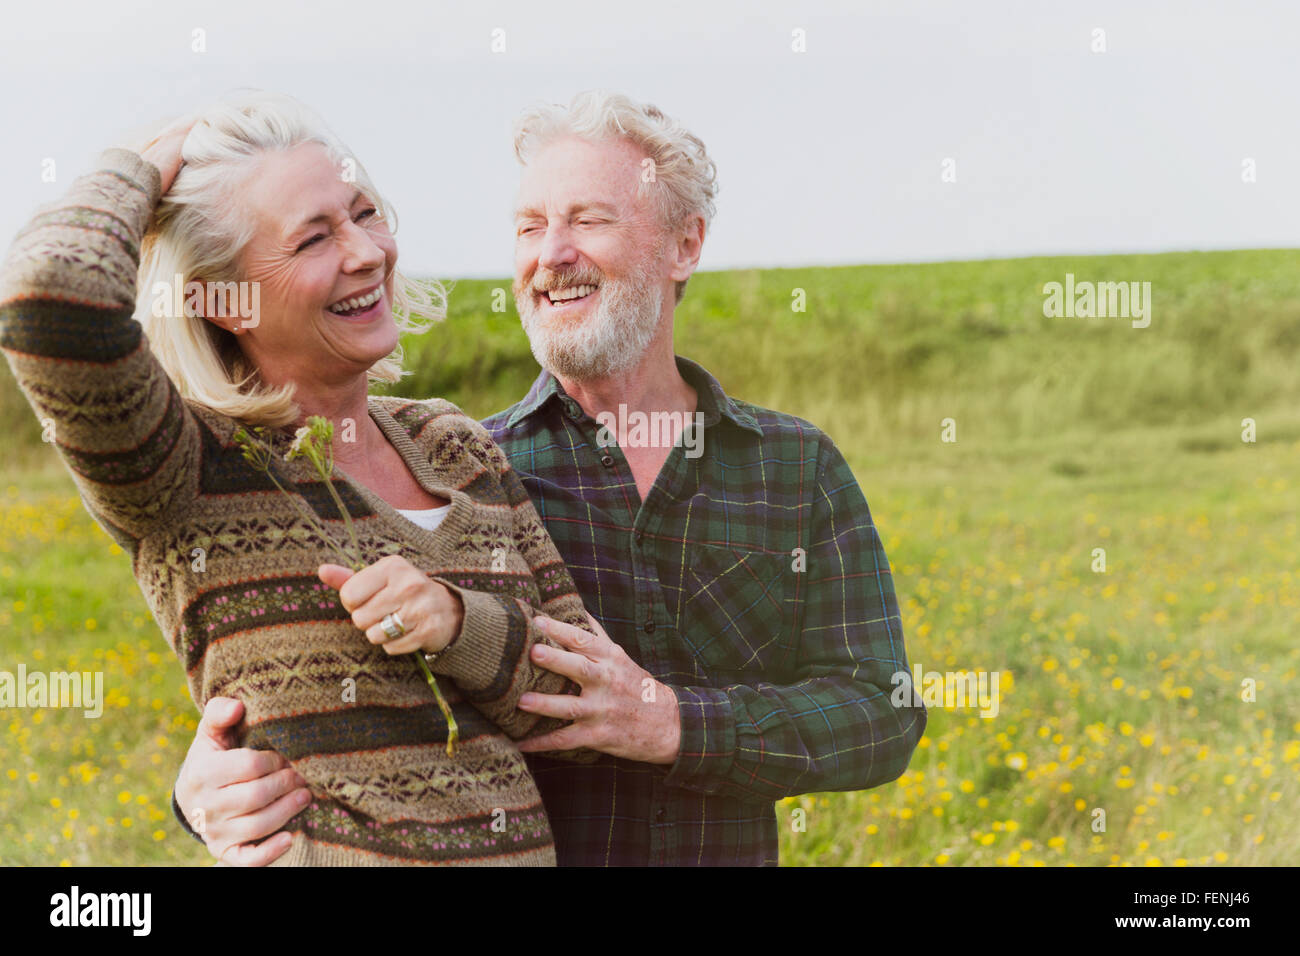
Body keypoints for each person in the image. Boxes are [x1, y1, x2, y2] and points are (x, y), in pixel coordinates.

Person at [174, 91, 928, 866]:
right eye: (530, 227)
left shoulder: (794, 468)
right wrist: (204, 787)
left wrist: (672, 723)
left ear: (685, 245)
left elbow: (881, 716)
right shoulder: (457, 481)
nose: (552, 254)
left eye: (588, 220)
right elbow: (315, 688)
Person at [0, 91, 602, 866]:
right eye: (313, 238)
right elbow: (50, 295)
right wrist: (145, 167)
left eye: (362, 212)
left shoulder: (451, 442)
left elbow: (587, 702)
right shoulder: (181, 469)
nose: (365, 253)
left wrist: (457, 621)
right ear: (222, 302)